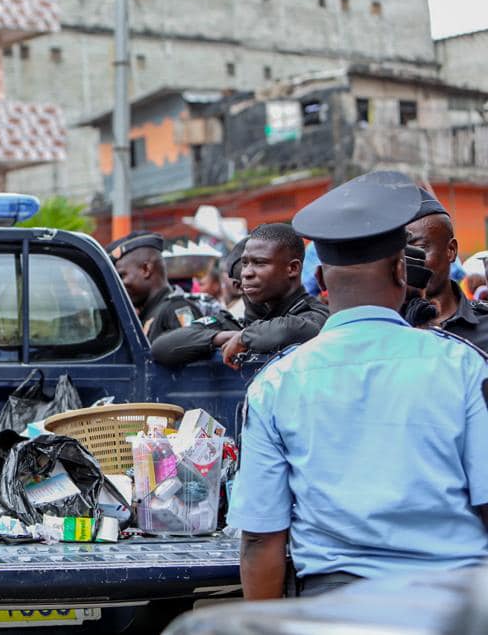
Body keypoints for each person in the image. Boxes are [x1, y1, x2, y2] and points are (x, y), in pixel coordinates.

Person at [228, 170, 488, 601]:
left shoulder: (277, 382)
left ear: (323, 283)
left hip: (334, 606)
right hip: (453, 601)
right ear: (403, 272)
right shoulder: (462, 365)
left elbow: (260, 539)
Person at [151, 224, 328, 368]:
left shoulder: (315, 314)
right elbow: (162, 347)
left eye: (259, 263)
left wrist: (245, 338)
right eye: (245, 263)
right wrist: (222, 338)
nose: (247, 273)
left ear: (293, 268)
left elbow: (293, 329)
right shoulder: (232, 324)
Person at [406, 189, 488, 351]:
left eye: (420, 249)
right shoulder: (387, 330)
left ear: (451, 250)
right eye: (402, 253)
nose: (410, 262)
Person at [107, 231, 202, 342]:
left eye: (122, 276)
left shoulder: (176, 309)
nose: (120, 285)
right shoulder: (150, 312)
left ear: (146, 269)